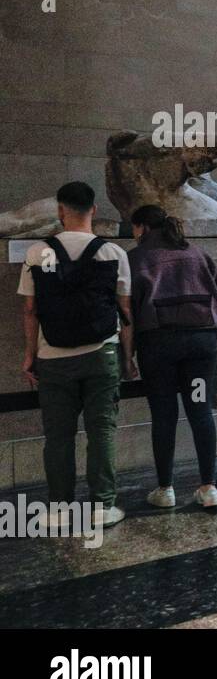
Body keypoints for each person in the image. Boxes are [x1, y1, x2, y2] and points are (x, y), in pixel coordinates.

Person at [17, 182, 134, 528]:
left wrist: (29, 355)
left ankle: (59, 509)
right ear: (94, 211)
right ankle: (102, 506)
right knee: (102, 430)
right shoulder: (114, 253)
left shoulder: (38, 253)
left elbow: (30, 310)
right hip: (102, 353)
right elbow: (126, 310)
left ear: (60, 210)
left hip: (52, 356)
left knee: (57, 436)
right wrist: (127, 358)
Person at [128, 205, 217, 509]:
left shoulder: (136, 258)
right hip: (201, 344)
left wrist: (127, 354)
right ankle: (208, 487)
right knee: (200, 411)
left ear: (143, 227)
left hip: (158, 346)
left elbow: (126, 310)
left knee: (163, 415)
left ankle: (165, 489)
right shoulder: (197, 253)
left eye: (133, 227)